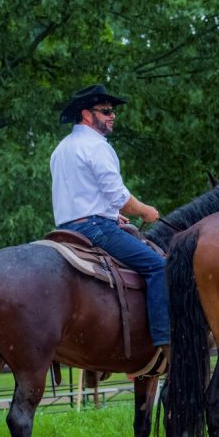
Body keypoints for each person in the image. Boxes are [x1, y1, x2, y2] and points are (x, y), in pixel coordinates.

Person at [50, 84, 169, 352]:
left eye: (112, 111)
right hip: (96, 229)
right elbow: (120, 198)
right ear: (86, 114)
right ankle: (164, 340)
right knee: (159, 267)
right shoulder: (97, 147)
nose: (112, 116)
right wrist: (145, 211)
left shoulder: (61, 148)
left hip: (66, 229)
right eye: (105, 111)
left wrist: (111, 214)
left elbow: (80, 192)